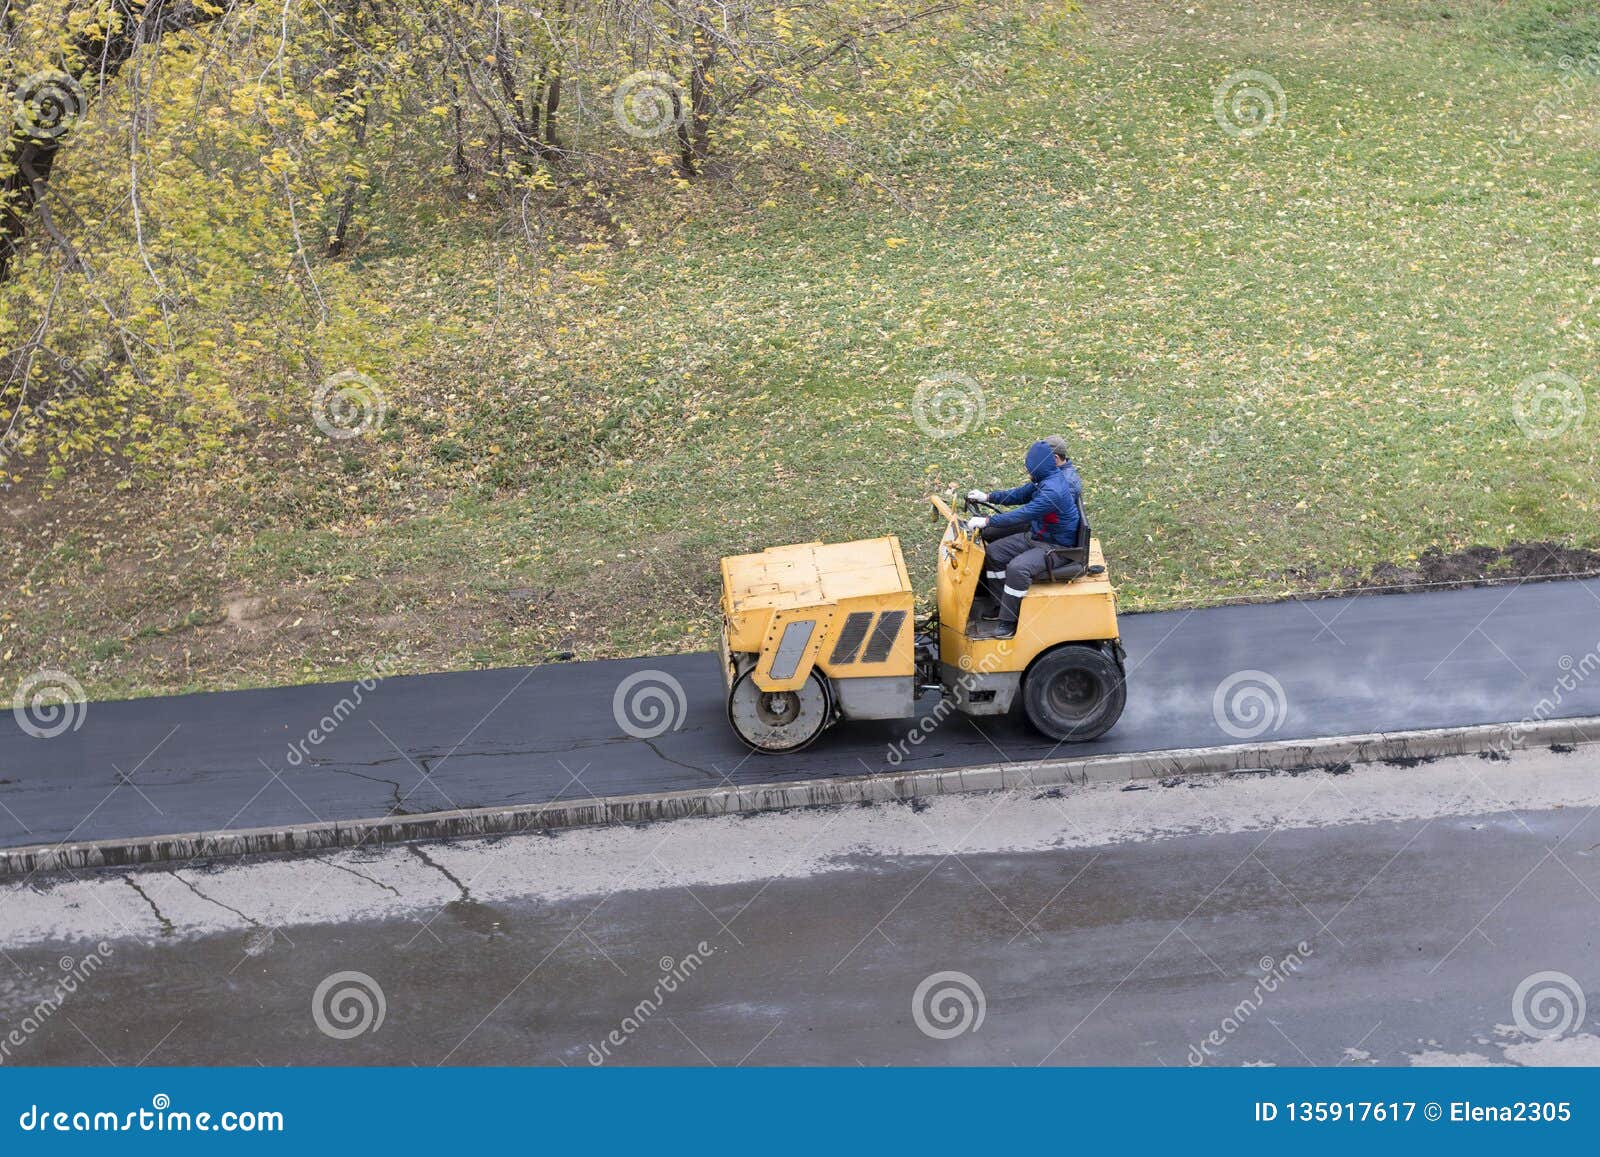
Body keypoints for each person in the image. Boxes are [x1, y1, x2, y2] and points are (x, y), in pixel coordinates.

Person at [963, 439, 1081, 639]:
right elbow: (1019, 494)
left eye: (1031, 468)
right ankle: (1000, 603)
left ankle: (1008, 621)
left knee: (1018, 568)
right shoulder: (1045, 479)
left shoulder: (1053, 491)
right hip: (1038, 535)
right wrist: (988, 497)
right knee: (995, 552)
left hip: (1056, 545)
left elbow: (1024, 514)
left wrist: (987, 521)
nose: (1029, 472)